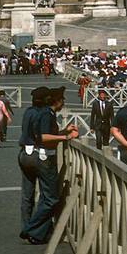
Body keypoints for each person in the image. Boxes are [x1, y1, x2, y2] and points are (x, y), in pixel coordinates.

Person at [18, 86, 78, 245]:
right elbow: (43, 136)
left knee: (28, 195)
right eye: (62, 99)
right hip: (41, 156)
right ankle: (30, 230)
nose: (64, 101)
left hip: (25, 154)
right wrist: (66, 137)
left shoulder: (29, 112)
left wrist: (64, 131)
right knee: (50, 197)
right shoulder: (45, 114)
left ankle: (34, 231)